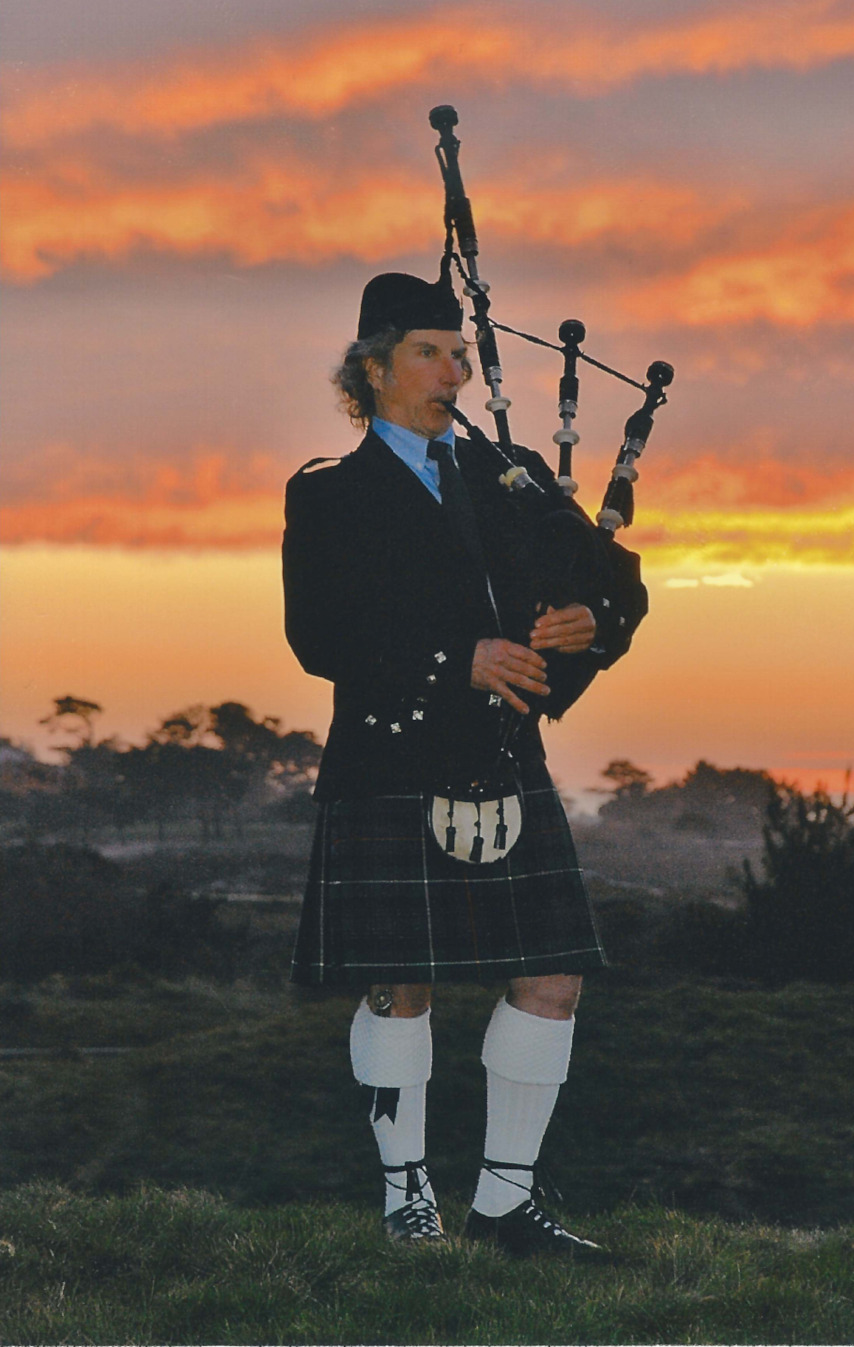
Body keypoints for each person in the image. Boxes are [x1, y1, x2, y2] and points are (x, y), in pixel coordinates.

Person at [282, 266, 647, 1259]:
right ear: (375, 370)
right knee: (399, 983)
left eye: (461, 352)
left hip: (502, 757)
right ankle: (408, 1197)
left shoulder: (510, 474)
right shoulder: (331, 495)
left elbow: (611, 585)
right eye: (432, 353)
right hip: (390, 760)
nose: (457, 368)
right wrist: (459, 663)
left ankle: (504, 1204)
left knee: (554, 978)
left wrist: (591, 626)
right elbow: (319, 636)